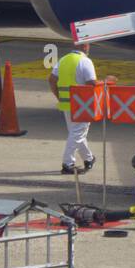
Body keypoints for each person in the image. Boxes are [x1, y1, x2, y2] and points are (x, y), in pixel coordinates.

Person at [49, 40, 99, 175]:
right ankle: (68, 163)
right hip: (82, 105)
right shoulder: (85, 61)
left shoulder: (63, 60)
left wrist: (59, 96)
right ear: (84, 46)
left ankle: (89, 158)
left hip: (66, 104)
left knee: (77, 133)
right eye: (88, 44)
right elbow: (92, 83)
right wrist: (106, 82)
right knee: (77, 134)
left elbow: (52, 80)